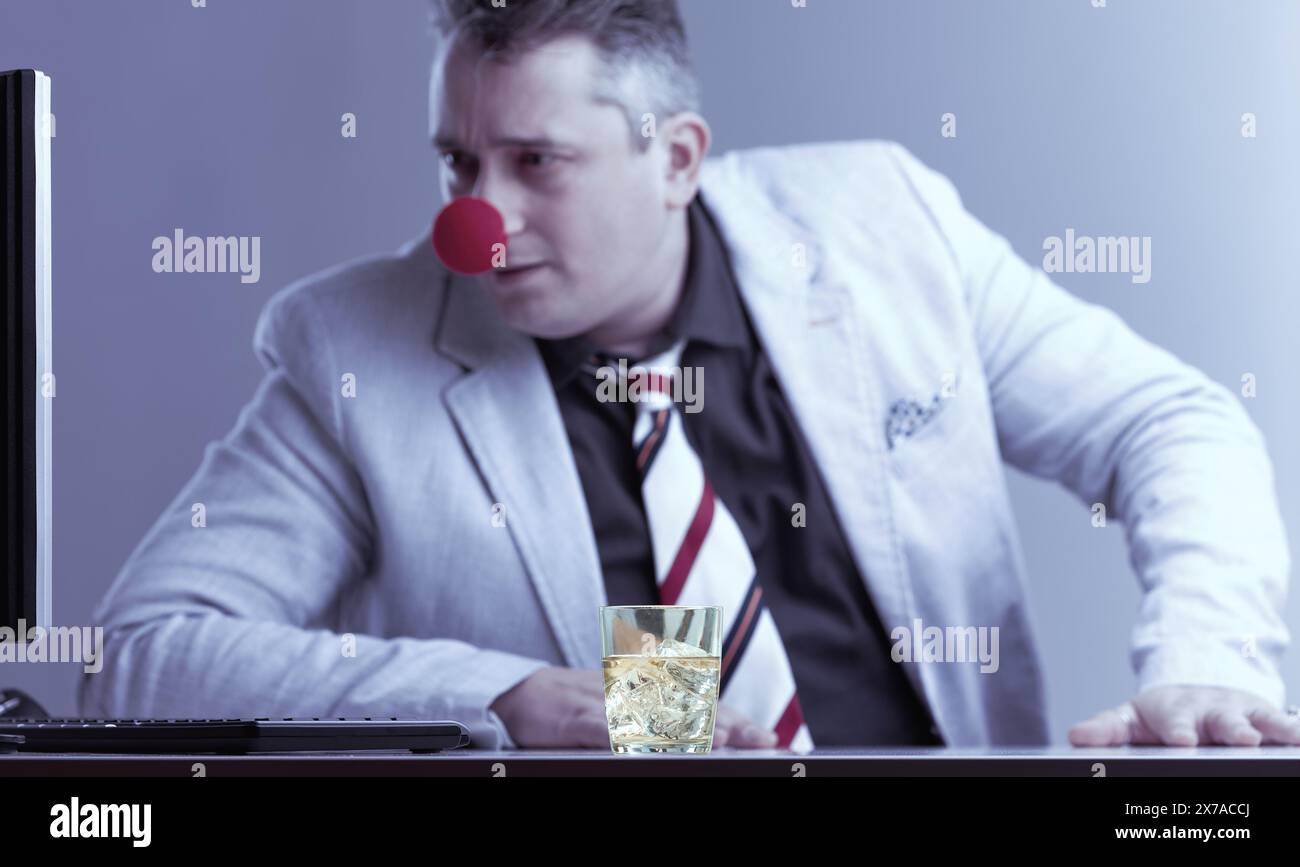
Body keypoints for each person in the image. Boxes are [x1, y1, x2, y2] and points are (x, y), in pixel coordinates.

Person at [81, 0, 1298, 750]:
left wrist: (1203, 661)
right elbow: (142, 654)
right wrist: (504, 699)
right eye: (458, 164)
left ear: (674, 158)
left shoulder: (883, 225)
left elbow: (1170, 420)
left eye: (535, 161)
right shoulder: (355, 349)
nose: (478, 223)